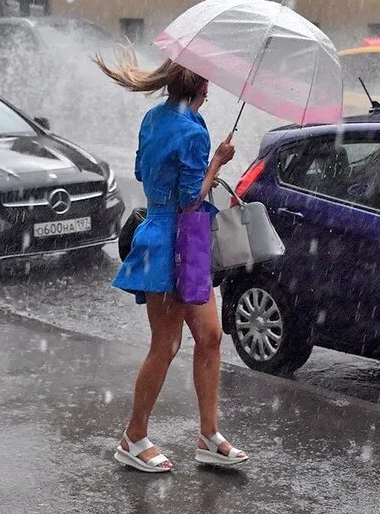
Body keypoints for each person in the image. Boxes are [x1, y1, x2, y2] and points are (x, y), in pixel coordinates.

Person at [95, 51, 247, 473]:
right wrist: (217, 162)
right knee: (166, 345)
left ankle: (209, 436)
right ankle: (133, 436)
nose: (210, 88)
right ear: (202, 88)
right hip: (172, 241)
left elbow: (142, 173)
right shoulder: (193, 131)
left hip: (182, 239)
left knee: (211, 335)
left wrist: (198, 166)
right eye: (208, 82)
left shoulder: (156, 119)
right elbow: (190, 199)